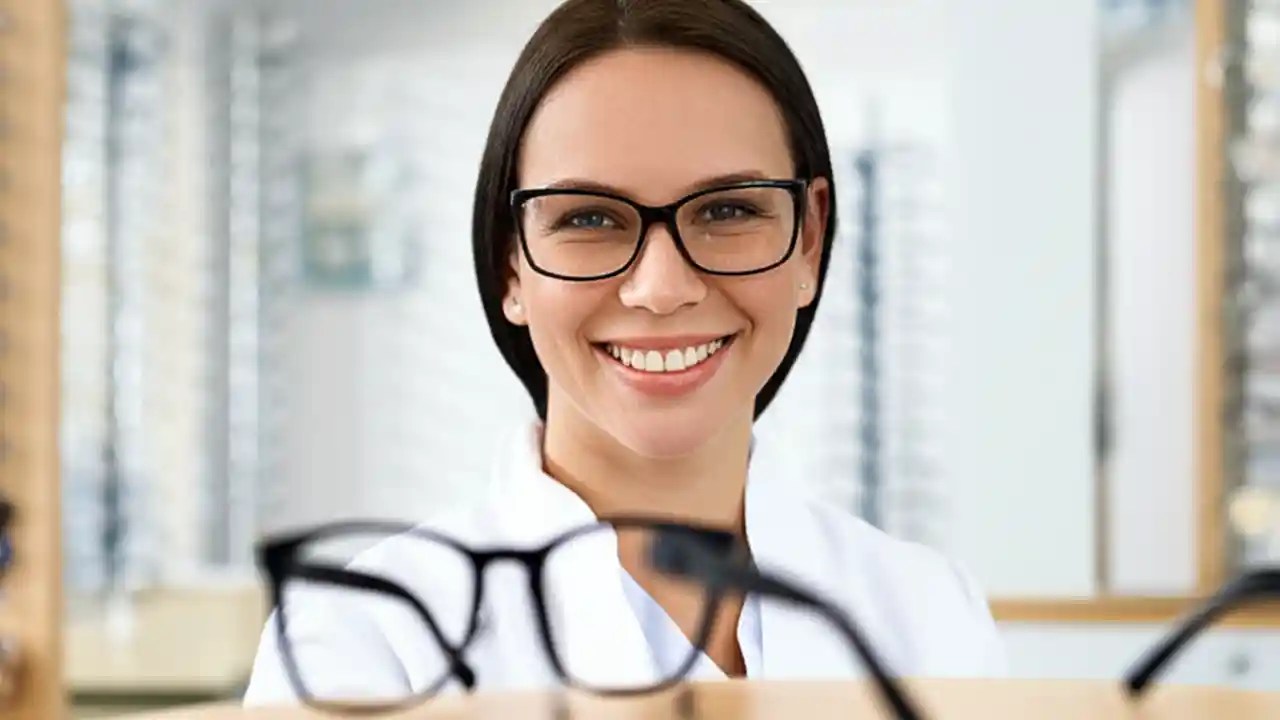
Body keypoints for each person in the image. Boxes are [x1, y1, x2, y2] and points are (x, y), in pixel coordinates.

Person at [244, 0, 1006, 706]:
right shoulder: (361, 641)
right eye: (589, 219)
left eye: (729, 209)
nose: (661, 286)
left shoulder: (929, 615)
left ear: (808, 239)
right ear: (511, 263)